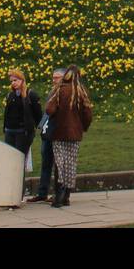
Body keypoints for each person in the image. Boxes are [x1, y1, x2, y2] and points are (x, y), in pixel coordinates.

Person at [44, 63, 93, 207]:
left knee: (60, 163)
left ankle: (58, 196)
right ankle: (66, 196)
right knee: (71, 164)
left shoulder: (59, 90)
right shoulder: (81, 91)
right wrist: (82, 127)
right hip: (75, 134)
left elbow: (49, 109)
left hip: (59, 132)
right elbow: (88, 114)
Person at [27, 68, 65, 203]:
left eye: (57, 77)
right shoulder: (52, 92)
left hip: (58, 133)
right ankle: (42, 192)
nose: (54, 80)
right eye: (53, 77)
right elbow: (47, 112)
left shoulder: (65, 93)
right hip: (47, 132)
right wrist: (41, 126)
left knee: (59, 165)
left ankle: (59, 193)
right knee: (46, 163)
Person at [3, 69, 42, 161]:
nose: (13, 83)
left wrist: (38, 128)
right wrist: (5, 128)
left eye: (15, 80)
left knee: (19, 159)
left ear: (22, 80)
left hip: (23, 132)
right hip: (9, 131)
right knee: (9, 159)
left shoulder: (31, 94)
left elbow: (38, 114)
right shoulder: (10, 95)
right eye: (11, 81)